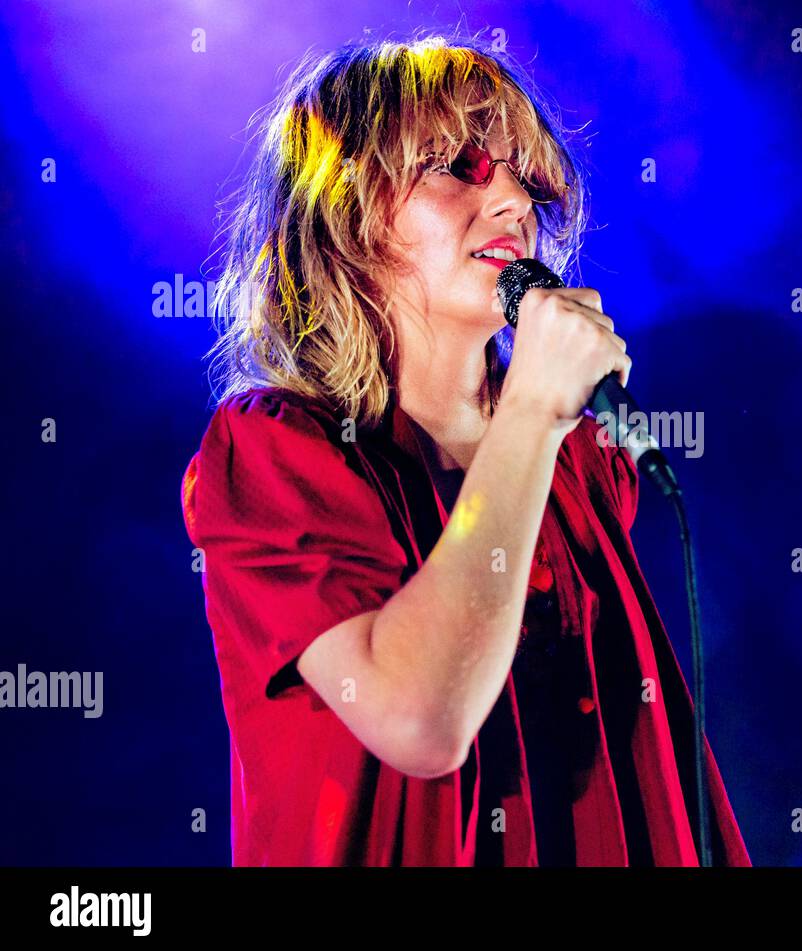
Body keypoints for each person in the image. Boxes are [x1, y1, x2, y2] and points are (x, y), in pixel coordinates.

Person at [179, 34, 751, 866]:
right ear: (348, 215)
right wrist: (527, 417)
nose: (514, 201)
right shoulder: (275, 454)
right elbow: (421, 721)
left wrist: (535, 425)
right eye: (455, 165)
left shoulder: (580, 459)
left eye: (521, 172)